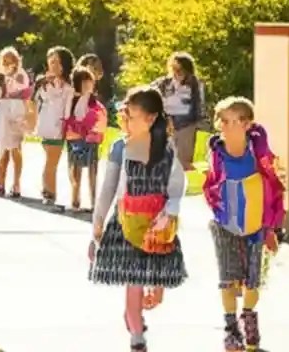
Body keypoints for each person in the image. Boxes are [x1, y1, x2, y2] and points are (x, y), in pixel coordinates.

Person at [89, 86, 188, 352]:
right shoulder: (120, 148)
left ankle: (141, 312)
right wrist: (97, 224)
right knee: (133, 283)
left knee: (155, 287)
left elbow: (177, 187)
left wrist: (170, 213)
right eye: (126, 115)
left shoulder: (166, 152)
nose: (126, 120)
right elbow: (108, 188)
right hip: (126, 225)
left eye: (132, 116)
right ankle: (136, 337)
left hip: (157, 228)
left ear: (151, 118)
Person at [202, 96, 285, 351]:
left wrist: (272, 226)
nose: (223, 125)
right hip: (224, 223)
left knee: (252, 279)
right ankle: (230, 328)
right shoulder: (216, 152)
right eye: (221, 120)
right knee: (227, 278)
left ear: (247, 124)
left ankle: (248, 317)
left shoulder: (258, 154)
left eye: (230, 121)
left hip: (255, 225)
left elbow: (274, 189)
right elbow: (211, 185)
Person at [34, 46, 76, 207]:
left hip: (59, 125)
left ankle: (50, 191)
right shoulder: (44, 84)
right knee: (51, 160)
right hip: (48, 124)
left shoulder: (68, 86)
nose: (54, 66)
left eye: (57, 62)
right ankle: (49, 192)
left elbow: (67, 107)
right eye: (51, 62)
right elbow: (40, 100)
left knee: (52, 161)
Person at [152, 52, 205, 171]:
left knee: (183, 160)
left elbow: (199, 104)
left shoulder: (195, 84)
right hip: (167, 122)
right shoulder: (163, 82)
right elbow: (151, 93)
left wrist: (200, 122)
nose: (176, 73)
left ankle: (184, 185)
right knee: (164, 157)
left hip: (186, 123)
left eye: (179, 69)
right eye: (173, 69)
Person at [65, 66, 108, 212]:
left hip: (91, 140)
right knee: (74, 170)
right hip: (75, 139)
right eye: (84, 82)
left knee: (92, 171)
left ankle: (94, 202)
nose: (88, 85)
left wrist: (91, 130)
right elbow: (66, 117)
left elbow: (100, 120)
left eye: (90, 81)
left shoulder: (96, 105)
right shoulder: (71, 101)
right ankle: (75, 199)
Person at [0, 47, 32, 198]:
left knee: (16, 147)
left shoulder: (21, 75)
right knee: (2, 148)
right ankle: (0, 183)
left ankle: (16, 184)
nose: (8, 64)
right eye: (4, 61)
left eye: (11, 60)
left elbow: (22, 88)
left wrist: (10, 76)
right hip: (3, 109)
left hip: (16, 109)